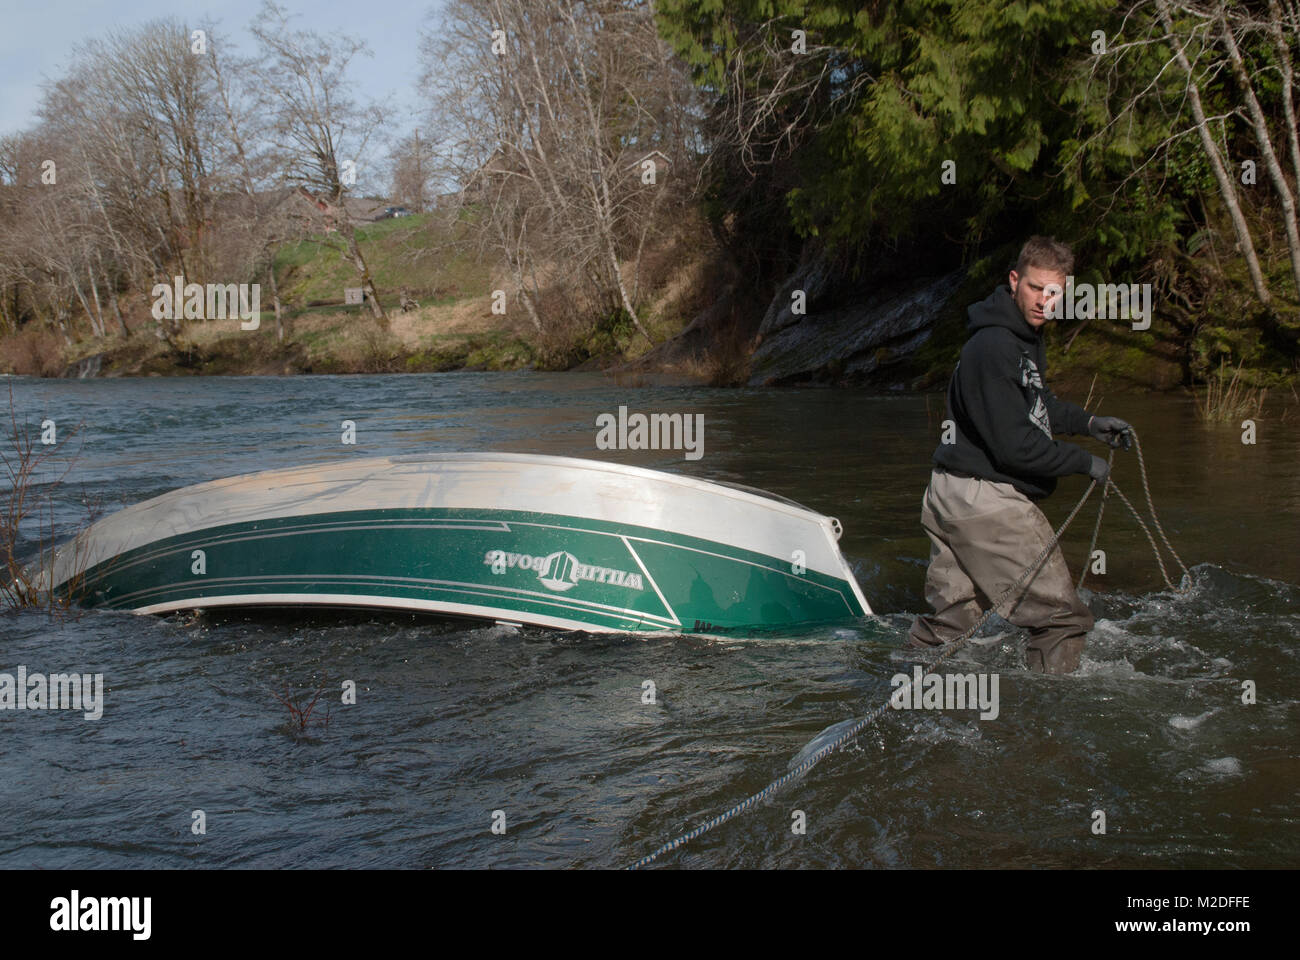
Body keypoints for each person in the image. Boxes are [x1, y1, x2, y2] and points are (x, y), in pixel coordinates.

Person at [906, 236, 1131, 674]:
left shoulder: (1021, 338)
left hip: (948, 492)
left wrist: (1089, 424)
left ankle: (903, 696)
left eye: (1055, 292)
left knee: (951, 629)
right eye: (1035, 288)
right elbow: (1016, 447)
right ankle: (1045, 727)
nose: (1044, 301)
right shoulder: (994, 347)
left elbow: (1036, 405)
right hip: (983, 501)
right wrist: (1084, 462)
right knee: (1062, 620)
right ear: (1014, 280)